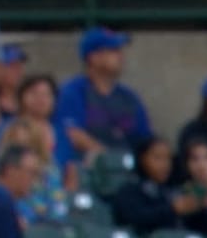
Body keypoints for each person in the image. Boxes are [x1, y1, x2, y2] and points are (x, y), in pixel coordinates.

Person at [55, 27, 152, 157]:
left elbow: (146, 139)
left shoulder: (129, 97)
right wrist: (109, 158)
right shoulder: (73, 91)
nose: (121, 56)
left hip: (129, 171)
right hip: (87, 171)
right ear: (93, 57)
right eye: (114, 51)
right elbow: (71, 133)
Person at [110, 135, 200, 238]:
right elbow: (137, 217)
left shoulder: (175, 190)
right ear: (142, 159)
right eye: (158, 158)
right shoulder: (130, 190)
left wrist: (200, 208)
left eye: (168, 158)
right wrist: (173, 210)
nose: (165, 164)